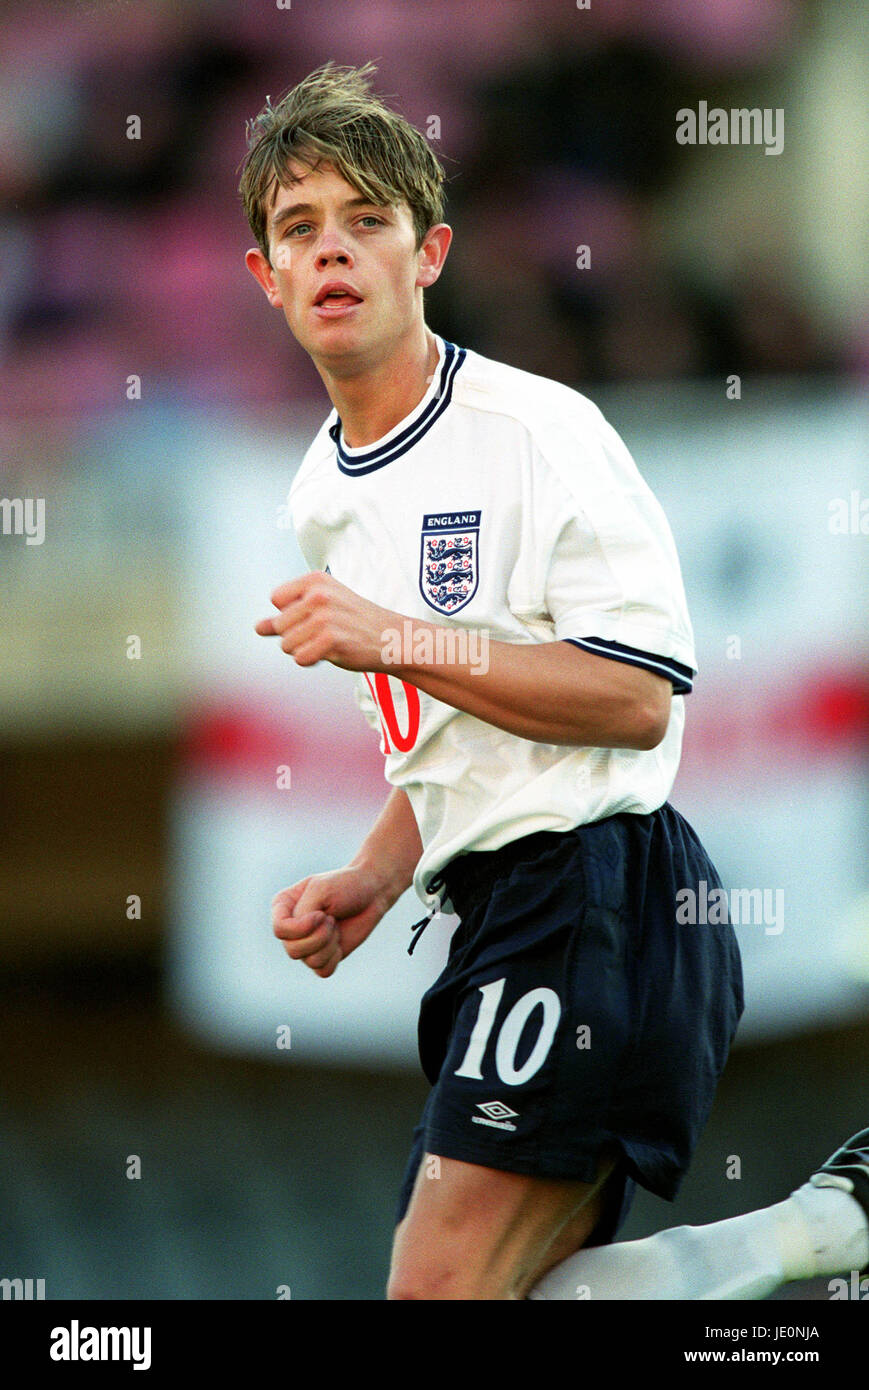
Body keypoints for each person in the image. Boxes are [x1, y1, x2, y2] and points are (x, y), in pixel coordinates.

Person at [241, 62, 869, 1300]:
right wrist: (376, 871)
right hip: (496, 911)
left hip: (597, 892)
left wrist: (400, 637)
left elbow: (635, 697)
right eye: (298, 228)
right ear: (263, 275)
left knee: (432, 1291)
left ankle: (816, 1231)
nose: (333, 253)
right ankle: (814, 1234)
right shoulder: (320, 488)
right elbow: (455, 739)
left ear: (428, 255)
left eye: (367, 221)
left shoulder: (538, 433)